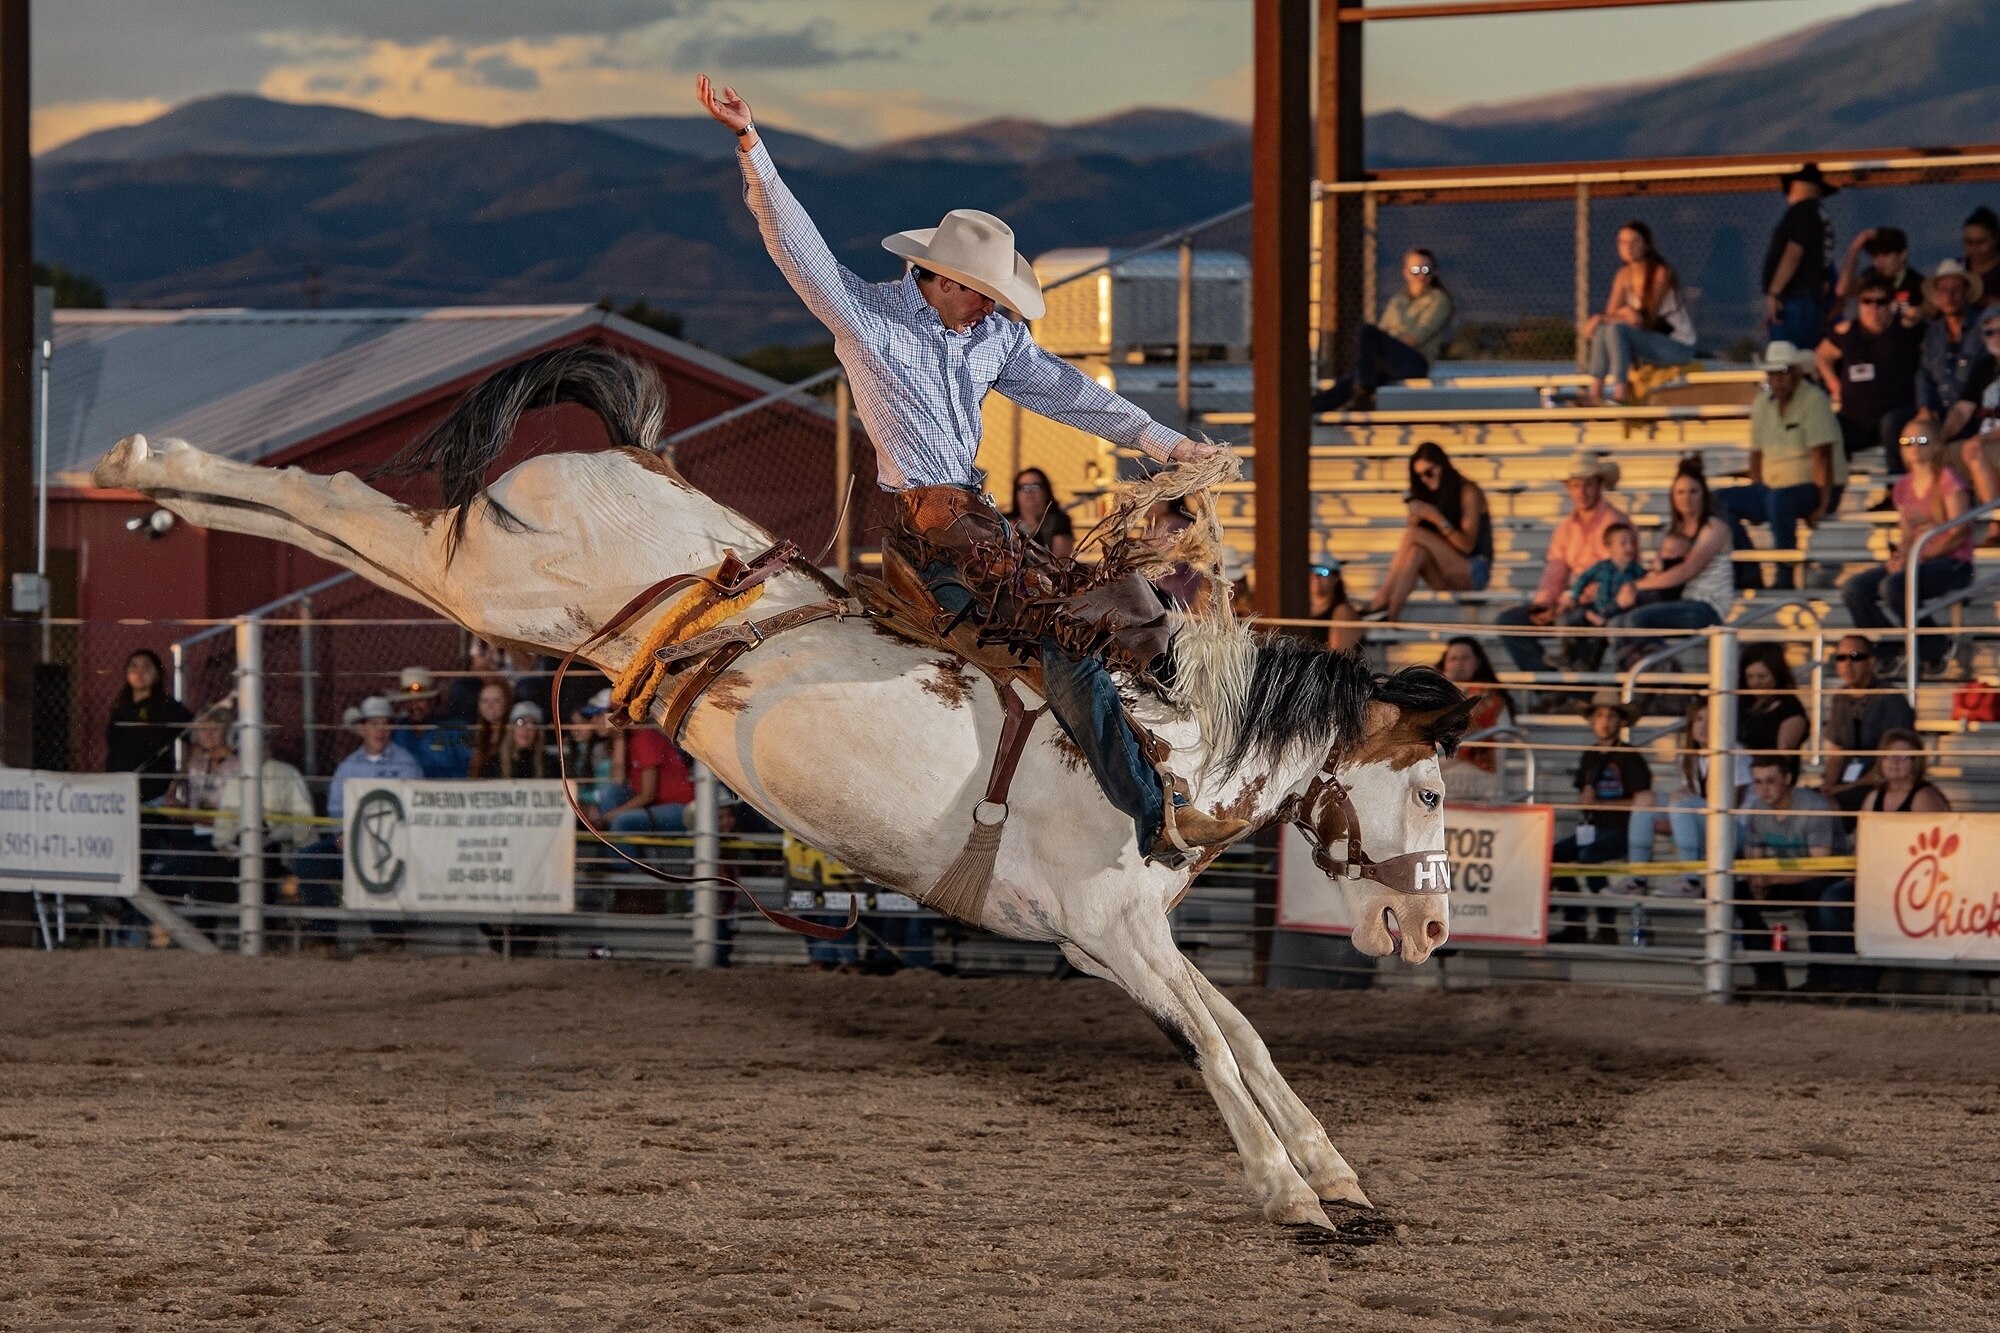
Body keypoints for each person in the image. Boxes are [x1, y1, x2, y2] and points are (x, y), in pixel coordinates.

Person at [700, 74, 1240, 862]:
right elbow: (796, 245)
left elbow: (1072, 394)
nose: (993, 310)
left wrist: (1168, 444)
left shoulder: (995, 339)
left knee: (1132, 604)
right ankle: (1153, 812)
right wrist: (752, 146)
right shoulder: (868, 320)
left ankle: (1174, 765)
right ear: (944, 280)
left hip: (979, 522)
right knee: (1071, 645)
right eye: (983, 296)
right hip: (936, 532)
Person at [1840, 422, 1973, 677]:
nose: (1912, 447)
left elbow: (1959, 532)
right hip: (1919, 559)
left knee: (1893, 586)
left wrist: (1919, 557)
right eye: (1906, 442)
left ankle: (1936, 647)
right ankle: (1891, 647)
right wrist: (1900, 557)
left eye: (1920, 441)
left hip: (1951, 563)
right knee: (1853, 589)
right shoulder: (1902, 486)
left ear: (1934, 446)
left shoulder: (1947, 478)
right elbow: (1908, 535)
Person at [1716, 341, 1846, 590]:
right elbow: (1756, 454)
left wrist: (1822, 503)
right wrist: (1757, 489)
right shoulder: (1762, 405)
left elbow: (1823, 455)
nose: (1777, 379)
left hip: (1815, 486)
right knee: (1716, 501)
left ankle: (1784, 573)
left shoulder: (1814, 400)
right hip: (1775, 488)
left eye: (1783, 372)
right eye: (1773, 373)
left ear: (1797, 373)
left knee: (1779, 501)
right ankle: (1747, 570)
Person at [1494, 452, 1629, 674]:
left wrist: (1570, 600)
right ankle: (1551, 688)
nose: (1581, 492)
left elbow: (1615, 574)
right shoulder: (1565, 528)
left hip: (1602, 604)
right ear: (1569, 488)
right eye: (1575, 485)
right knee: (1508, 621)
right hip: (1571, 602)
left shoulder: (1616, 523)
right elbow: (1554, 571)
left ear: (1599, 485)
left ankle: (1571, 690)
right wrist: (1545, 605)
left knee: (1581, 618)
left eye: (1587, 485)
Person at [292, 697, 426, 908]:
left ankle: (386, 937)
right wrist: (341, 834)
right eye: (373, 723)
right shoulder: (348, 767)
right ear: (362, 729)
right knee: (307, 861)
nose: (380, 730)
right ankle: (325, 934)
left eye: (385, 723)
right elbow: (336, 809)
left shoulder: (407, 764)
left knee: (374, 866)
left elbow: (415, 807)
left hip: (392, 845)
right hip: (354, 843)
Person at [1736, 754, 1849, 994]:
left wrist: (1771, 878)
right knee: (1739, 895)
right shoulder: (1757, 809)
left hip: (1828, 874)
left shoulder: (1814, 807)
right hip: (1784, 876)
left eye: (1770, 781)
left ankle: (1821, 978)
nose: (1763, 789)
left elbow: (1821, 864)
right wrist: (1755, 880)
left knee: (1817, 896)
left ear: (1787, 779)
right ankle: (1769, 978)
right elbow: (1752, 854)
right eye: (1757, 782)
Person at [1550, 690, 1653, 945]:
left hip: (1623, 830)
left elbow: (1643, 801)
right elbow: (1584, 796)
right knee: (1553, 855)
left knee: (1589, 856)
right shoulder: (1590, 755)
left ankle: (1607, 927)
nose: (1605, 721)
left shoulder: (1630, 756)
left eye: (1611, 716)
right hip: (1593, 827)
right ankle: (1576, 922)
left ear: (1621, 722)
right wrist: (1586, 802)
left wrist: (1605, 804)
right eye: (1599, 715)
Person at [1816, 271, 1924, 495]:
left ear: (1892, 304)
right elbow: (1822, 355)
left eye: (1881, 302)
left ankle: (1897, 493)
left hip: (1896, 418)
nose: (1873, 308)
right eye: (1867, 301)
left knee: (1892, 424)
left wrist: (1919, 314)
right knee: (1827, 426)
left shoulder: (1906, 330)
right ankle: (1829, 494)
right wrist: (1833, 383)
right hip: (1856, 420)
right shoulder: (1846, 332)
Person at [1311, 248, 1455, 413]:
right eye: (1415, 270)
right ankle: (1312, 407)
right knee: (1347, 382)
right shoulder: (1397, 301)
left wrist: (1384, 345)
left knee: (1367, 333)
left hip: (1414, 362)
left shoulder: (1439, 300)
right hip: (1390, 361)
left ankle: (1364, 389)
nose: (1421, 275)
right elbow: (1383, 332)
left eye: (1426, 270)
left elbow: (1415, 337)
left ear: (1433, 273)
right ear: (1406, 273)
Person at [1362, 441, 1492, 621]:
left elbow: (1468, 546)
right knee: (1417, 551)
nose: (1425, 479)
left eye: (1429, 472)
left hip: (1473, 570)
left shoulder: (1468, 492)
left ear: (1442, 466)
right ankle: (1390, 612)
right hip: (1444, 573)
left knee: (1415, 536)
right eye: (1419, 476)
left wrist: (1437, 519)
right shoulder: (1433, 494)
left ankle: (1382, 598)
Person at [1611, 455, 1735, 636]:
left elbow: (1686, 570)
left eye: (1693, 491)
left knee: (1635, 620)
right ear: (1673, 496)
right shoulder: (1674, 533)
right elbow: (1659, 574)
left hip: (1707, 607)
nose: (1687, 498)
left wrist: (1637, 586)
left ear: (1704, 494)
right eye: (1681, 492)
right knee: (1615, 622)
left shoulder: (1714, 527)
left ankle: (1658, 663)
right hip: (1678, 601)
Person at [1581, 220, 1696, 404]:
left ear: (1647, 245)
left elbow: (1644, 319)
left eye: (1634, 241)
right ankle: (1596, 391)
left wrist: (1624, 315)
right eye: (1622, 242)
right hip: (1646, 342)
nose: (1627, 247)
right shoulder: (1623, 275)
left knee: (1616, 329)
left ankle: (1620, 391)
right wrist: (1603, 318)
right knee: (1606, 329)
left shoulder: (1660, 272)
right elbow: (1611, 317)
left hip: (1676, 347)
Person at [1615, 700, 1709, 900]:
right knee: (1645, 800)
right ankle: (1637, 879)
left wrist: (1678, 812)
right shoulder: (1692, 756)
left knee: (1679, 803)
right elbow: (1695, 794)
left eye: (1711, 720)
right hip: (1701, 820)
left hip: (1735, 828)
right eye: (1699, 719)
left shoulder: (1734, 753)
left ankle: (1690, 881)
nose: (1704, 726)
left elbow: (1734, 804)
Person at [1822, 634, 1915, 809]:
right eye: (1841, 658)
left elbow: (1891, 762)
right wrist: (1829, 785)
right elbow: (1836, 752)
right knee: (1810, 802)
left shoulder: (1891, 700)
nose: (1847, 664)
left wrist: (1843, 788)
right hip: (1848, 779)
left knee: (1833, 805)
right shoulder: (1840, 698)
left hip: (1881, 781)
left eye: (1855, 657)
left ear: (1871, 663)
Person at [1760, 162, 1836, 347]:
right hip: (1810, 301)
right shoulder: (1820, 217)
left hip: (1795, 300)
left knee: (1785, 358)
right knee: (1803, 359)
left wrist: (1774, 294)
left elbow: (1793, 253)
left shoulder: (1802, 212)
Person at [1552, 521, 1644, 671]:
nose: (1629, 547)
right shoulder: (1603, 567)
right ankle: (1567, 654)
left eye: (1632, 543)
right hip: (1597, 607)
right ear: (1609, 548)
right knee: (1571, 616)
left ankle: (1589, 663)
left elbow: (1646, 585)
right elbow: (1583, 578)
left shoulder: (1636, 571)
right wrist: (1574, 596)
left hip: (1617, 612)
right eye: (1623, 543)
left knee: (1601, 635)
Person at [105, 648, 193, 803]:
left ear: (157, 674)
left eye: (146, 667)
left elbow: (196, 740)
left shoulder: (167, 707)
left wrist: (177, 780)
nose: (140, 672)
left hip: (153, 793)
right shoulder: (120, 707)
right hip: (119, 792)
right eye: (134, 666)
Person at [1435, 637, 1513, 803]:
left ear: (1477, 662)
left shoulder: (1493, 698)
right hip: (1442, 776)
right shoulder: (1434, 697)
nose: (1459, 664)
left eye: (1465, 658)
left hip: (1481, 779)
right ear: (1444, 665)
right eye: (1453, 659)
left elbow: (1503, 735)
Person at [1947, 307, 2000, 541]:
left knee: (1976, 453)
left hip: (1991, 441)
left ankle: (1996, 525)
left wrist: (1981, 439)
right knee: (1930, 453)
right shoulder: (1984, 366)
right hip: (1986, 440)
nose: (1996, 336)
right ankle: (1949, 530)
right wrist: (1939, 438)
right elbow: (1962, 410)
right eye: (1989, 332)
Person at [1916, 259, 1986, 420]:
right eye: (1944, 290)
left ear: (1966, 293)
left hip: (1974, 414)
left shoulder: (1983, 327)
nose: (1949, 296)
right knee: (1900, 430)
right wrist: (1924, 408)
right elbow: (1924, 375)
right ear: (1937, 296)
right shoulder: (1932, 332)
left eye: (1956, 289)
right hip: (1940, 411)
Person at [391, 666, 471, 780]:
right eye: (409, 701)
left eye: (420, 700)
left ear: (433, 701)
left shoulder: (455, 730)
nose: (414, 706)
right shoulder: (398, 732)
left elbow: (472, 768)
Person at [1834, 226, 1923, 314]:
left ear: (1903, 254)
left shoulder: (1916, 284)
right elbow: (1842, 291)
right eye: (1875, 256)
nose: (1879, 262)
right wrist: (1854, 250)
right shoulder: (1872, 275)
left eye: (1885, 254)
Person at [1858, 729, 1948, 816]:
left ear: (1915, 762)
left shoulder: (1924, 797)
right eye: (1889, 755)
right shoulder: (1873, 798)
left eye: (1902, 757)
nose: (1894, 761)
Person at [1007, 467, 1074, 559]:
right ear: (1016, 493)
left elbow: (1060, 563)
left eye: (1035, 486)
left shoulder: (1059, 521)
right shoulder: (1005, 521)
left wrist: (1020, 551)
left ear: (1046, 492)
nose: (1029, 492)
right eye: (1023, 487)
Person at [1307, 559, 1366, 654]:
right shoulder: (1299, 609)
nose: (1315, 577)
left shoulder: (1343, 613)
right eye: (1311, 570)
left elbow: (1338, 657)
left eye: (1323, 572)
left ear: (1336, 578)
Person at [466, 678, 514, 779]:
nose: (489, 706)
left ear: (507, 703)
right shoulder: (477, 735)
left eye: (496, 701)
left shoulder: (514, 734)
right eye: (484, 701)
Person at [498, 701, 556, 779]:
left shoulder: (548, 762)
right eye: (520, 723)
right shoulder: (496, 762)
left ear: (538, 732)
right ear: (511, 729)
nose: (525, 730)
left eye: (531, 724)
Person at [1963, 205, 2000, 308]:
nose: (1975, 248)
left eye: (1980, 242)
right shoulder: (1957, 268)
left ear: (1996, 239)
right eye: (1969, 242)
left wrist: (1988, 302)